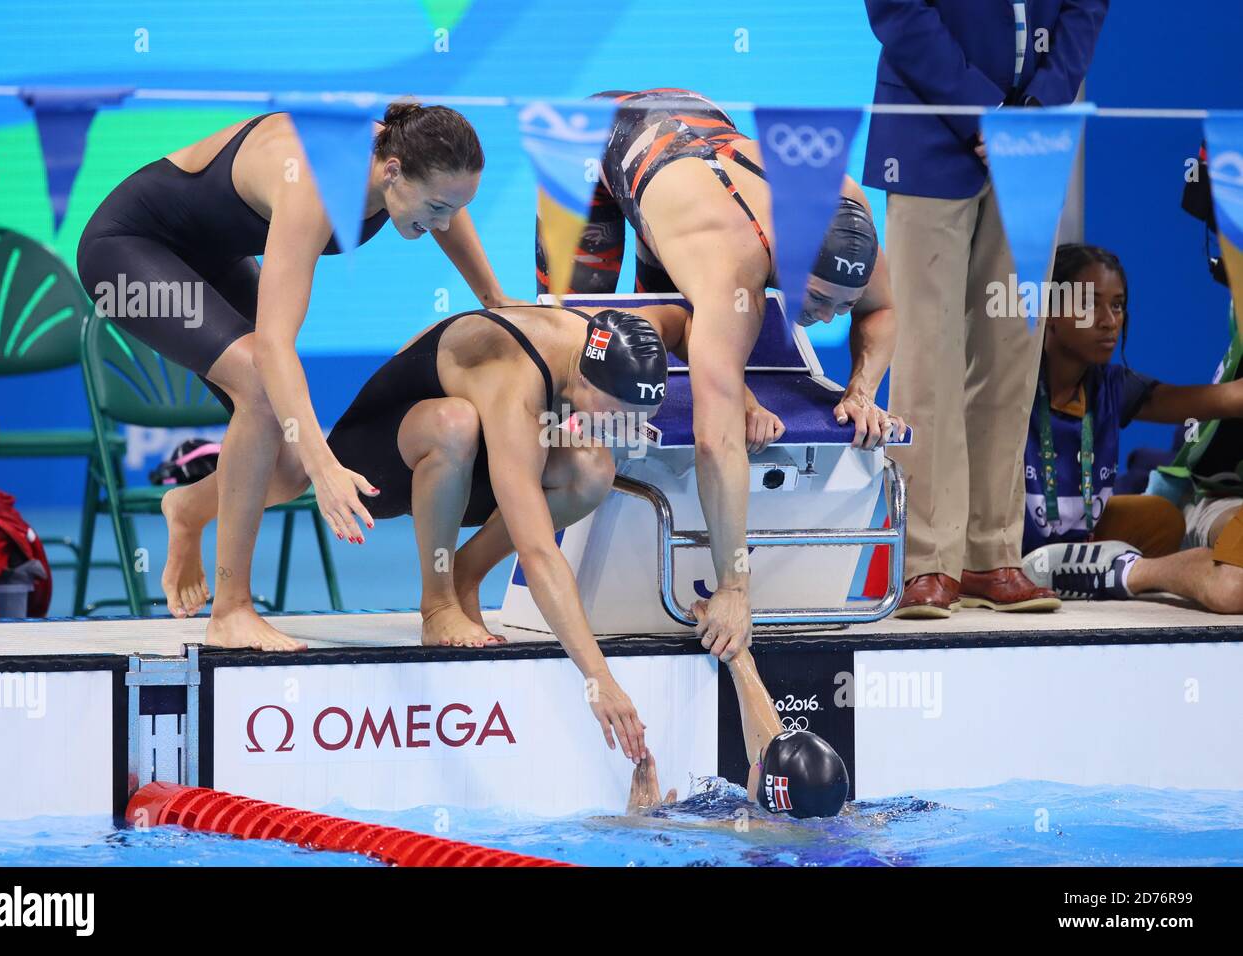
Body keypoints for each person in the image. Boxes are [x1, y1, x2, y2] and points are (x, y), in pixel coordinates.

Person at [77, 103, 520, 651]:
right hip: (131, 249)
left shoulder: (411, 162)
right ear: (392, 171)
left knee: (284, 477)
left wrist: (494, 298)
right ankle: (231, 611)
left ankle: (188, 507)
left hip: (212, 258)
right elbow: (274, 348)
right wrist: (326, 464)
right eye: (435, 207)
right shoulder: (314, 182)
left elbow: (447, 199)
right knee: (266, 396)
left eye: (454, 207)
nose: (444, 221)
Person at [537, 87, 904, 660]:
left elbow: (881, 307)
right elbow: (717, 440)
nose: (831, 318)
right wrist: (734, 587)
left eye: (841, 304)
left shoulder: (844, 212)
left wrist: (861, 390)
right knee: (583, 347)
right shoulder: (727, 267)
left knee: (701, 334)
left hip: (693, 127)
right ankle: (547, 529)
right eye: (820, 300)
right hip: (590, 140)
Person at [249, 303, 671, 759]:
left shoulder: (609, 344)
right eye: (616, 415)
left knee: (591, 469)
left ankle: (465, 574)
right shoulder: (516, 381)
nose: (622, 428)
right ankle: (438, 602)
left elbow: (678, 319)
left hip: (472, 465)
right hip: (387, 459)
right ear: (585, 380)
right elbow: (538, 552)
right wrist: (598, 679)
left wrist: (744, 401)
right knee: (443, 428)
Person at [864, 0, 1110, 619]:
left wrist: (1039, 111)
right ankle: (924, 559)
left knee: (1013, 353)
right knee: (927, 356)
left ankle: (990, 551)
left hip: (1035, 141)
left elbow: (1085, 8)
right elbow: (897, 8)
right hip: (929, 127)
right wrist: (985, 114)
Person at [1022, 246, 1243, 611]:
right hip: (1006, 548)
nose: (1109, 321)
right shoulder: (1007, 389)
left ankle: (1095, 570)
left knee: (1160, 519)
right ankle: (1118, 572)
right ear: (1049, 312)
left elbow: (1224, 398)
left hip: (1079, 536)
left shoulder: (1113, 387)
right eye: (1090, 305)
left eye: (1118, 305)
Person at [624, 639, 848, 821]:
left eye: (759, 762)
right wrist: (737, 654)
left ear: (768, 794)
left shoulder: (739, 836)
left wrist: (643, 820)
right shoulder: (829, 814)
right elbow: (777, 762)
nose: (755, 761)